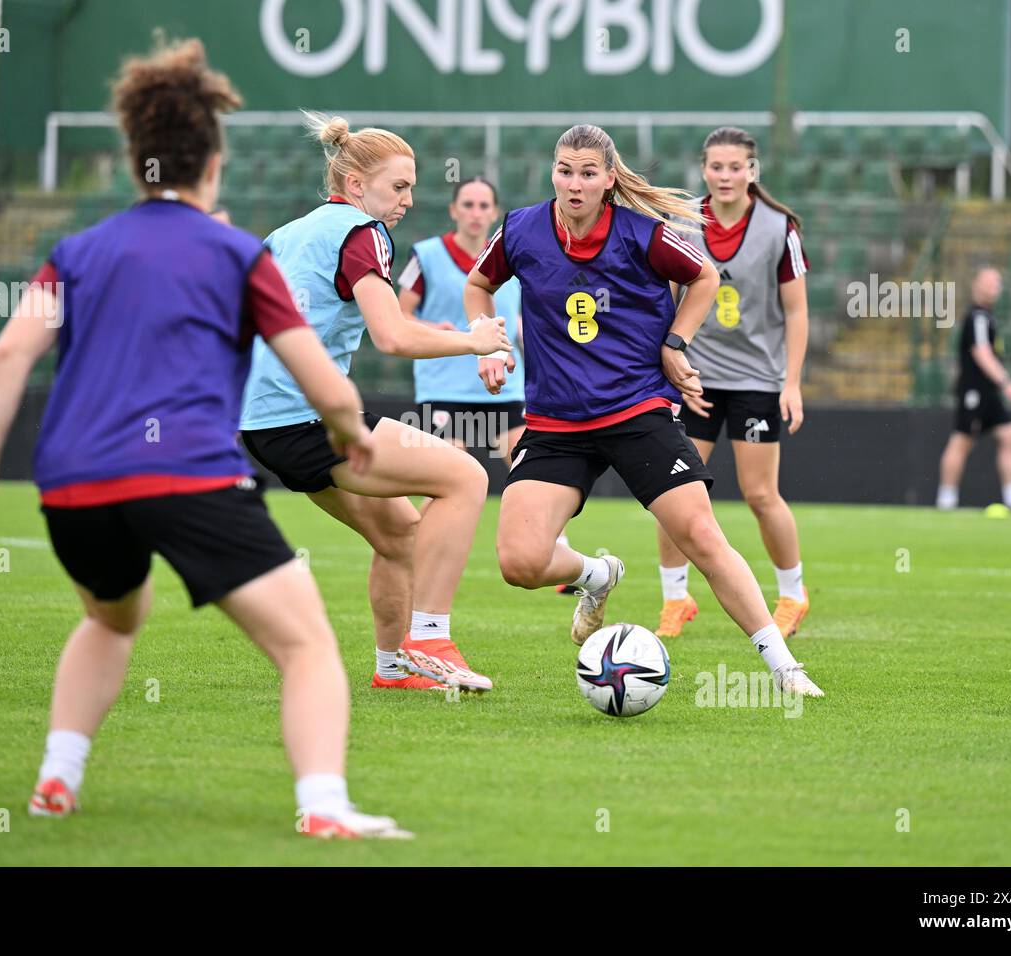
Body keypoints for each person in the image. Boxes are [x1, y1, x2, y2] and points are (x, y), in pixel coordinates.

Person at [0, 39, 409, 839]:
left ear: (138, 160)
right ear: (214, 162)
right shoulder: (236, 253)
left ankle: (57, 777)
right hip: (188, 476)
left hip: (73, 485)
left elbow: (11, 354)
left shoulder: (78, 251)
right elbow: (318, 374)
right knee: (305, 647)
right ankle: (325, 808)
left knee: (110, 619)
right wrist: (350, 434)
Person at [466, 123, 824, 698]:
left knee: (702, 535)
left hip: (637, 409)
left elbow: (703, 278)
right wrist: (489, 336)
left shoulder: (643, 234)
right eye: (564, 170)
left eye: (588, 173)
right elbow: (478, 284)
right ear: (552, 172)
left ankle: (784, 667)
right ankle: (596, 574)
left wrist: (674, 343)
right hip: (556, 422)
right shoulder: (522, 229)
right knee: (520, 562)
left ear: (610, 179)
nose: (574, 183)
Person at [241, 113, 513, 693]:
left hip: (265, 424)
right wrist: (474, 340)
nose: (409, 200)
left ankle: (393, 668)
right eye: (399, 186)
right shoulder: (362, 234)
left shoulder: (288, 234)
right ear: (357, 185)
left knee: (400, 536)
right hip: (307, 418)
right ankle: (431, 637)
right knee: (465, 477)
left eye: (412, 186)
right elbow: (392, 336)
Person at [655, 126, 813, 640]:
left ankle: (792, 593)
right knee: (673, 489)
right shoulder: (683, 221)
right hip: (695, 378)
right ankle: (675, 599)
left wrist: (791, 383)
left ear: (752, 171)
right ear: (704, 170)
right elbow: (668, 299)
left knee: (761, 494)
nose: (726, 175)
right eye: (717, 167)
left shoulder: (778, 226)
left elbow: (797, 311)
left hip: (756, 380)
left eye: (736, 166)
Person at [398, 177, 526, 465]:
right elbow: (399, 315)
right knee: (453, 476)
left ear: (495, 212)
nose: (476, 213)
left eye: (484, 206)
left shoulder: (513, 259)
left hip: (503, 386)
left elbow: (518, 315)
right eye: (468, 205)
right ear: (453, 210)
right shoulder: (424, 256)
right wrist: (437, 330)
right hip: (442, 386)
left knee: (531, 475)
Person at [936, 266, 1011, 510]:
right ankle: (946, 497)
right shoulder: (977, 317)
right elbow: (982, 353)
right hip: (974, 391)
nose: (997, 288)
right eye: (993, 282)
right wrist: (1006, 383)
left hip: (989, 392)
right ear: (979, 285)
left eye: (999, 283)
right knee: (962, 440)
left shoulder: (988, 317)